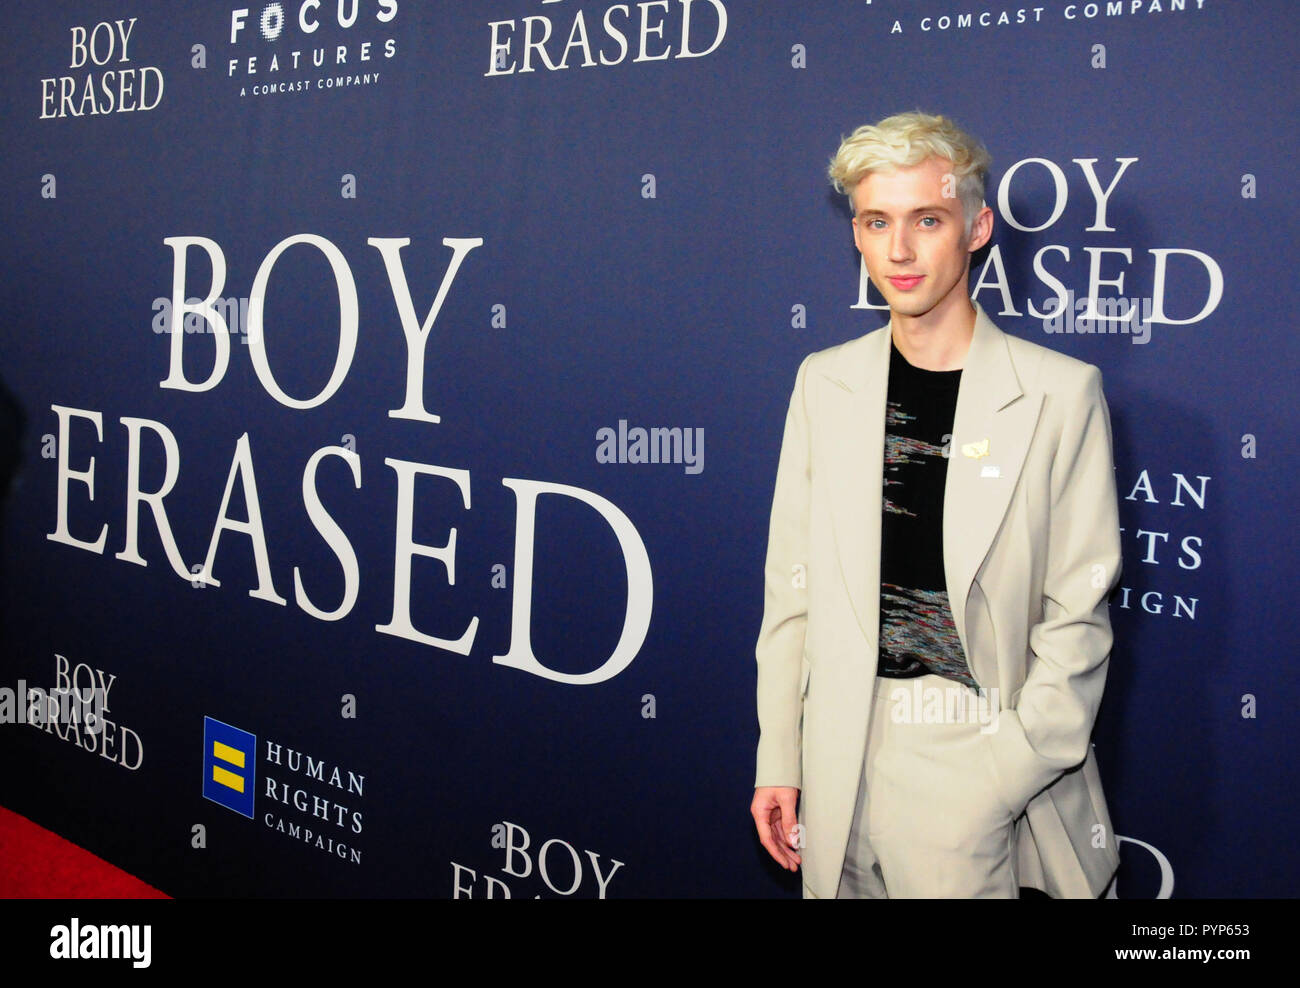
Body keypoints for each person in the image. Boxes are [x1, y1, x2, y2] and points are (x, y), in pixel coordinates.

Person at [749, 111, 1123, 898]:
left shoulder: (1059, 392)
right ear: (855, 234)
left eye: (928, 219)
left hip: (972, 748)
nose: (900, 250)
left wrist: (1000, 772)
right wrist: (780, 755)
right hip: (835, 745)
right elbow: (793, 588)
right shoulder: (825, 380)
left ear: (977, 226)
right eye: (876, 221)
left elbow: (1077, 614)